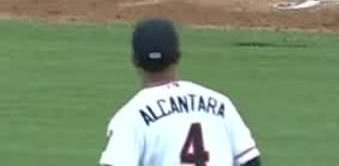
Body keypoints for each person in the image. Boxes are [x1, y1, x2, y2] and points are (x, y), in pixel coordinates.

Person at [99, 18, 263, 166]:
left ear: (135, 60)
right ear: (177, 56)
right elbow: (251, 162)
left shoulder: (130, 118)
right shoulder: (221, 104)